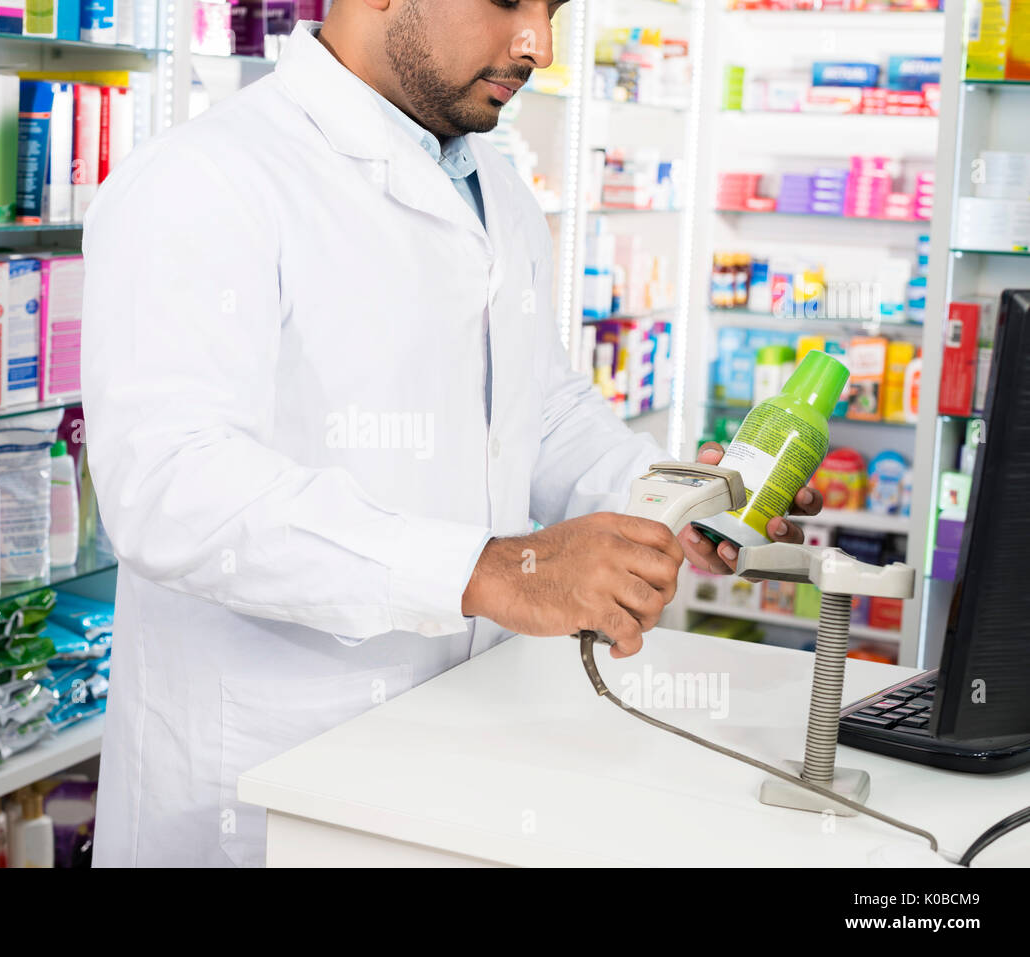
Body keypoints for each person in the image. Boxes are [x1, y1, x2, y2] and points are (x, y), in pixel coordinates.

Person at [80, 0, 823, 867]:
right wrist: (496, 571)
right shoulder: (204, 180)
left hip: (464, 748)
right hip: (257, 783)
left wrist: (673, 499)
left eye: (554, 10)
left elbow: (533, 412)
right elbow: (171, 489)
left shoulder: (495, 188)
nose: (539, 43)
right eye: (512, 1)